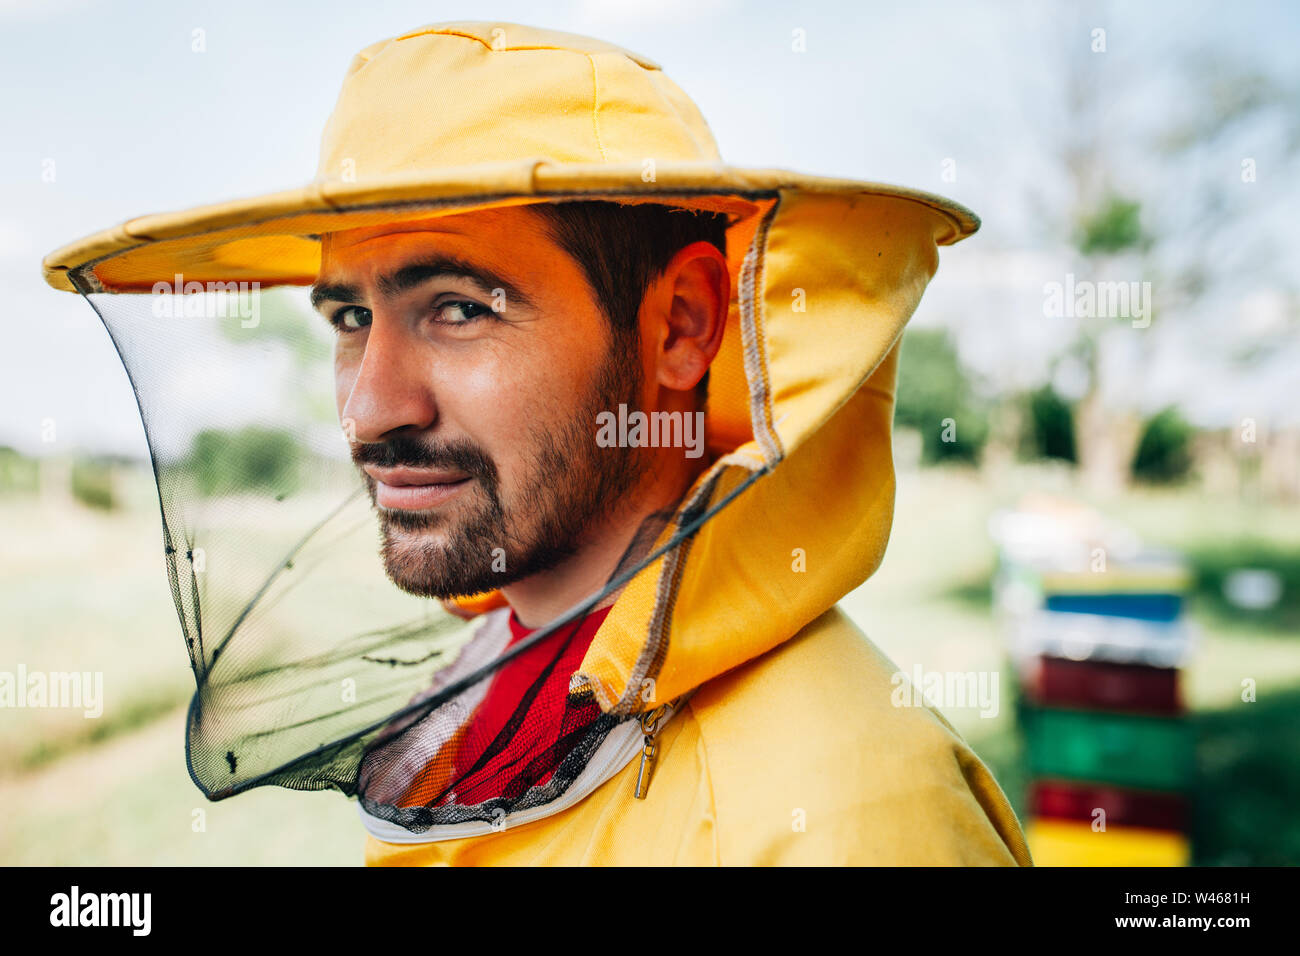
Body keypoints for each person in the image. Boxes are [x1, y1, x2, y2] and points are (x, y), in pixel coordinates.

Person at [42, 21, 1032, 866]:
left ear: (680, 324)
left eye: (459, 308)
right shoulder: (498, 667)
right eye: (350, 317)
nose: (369, 407)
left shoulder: (854, 817)